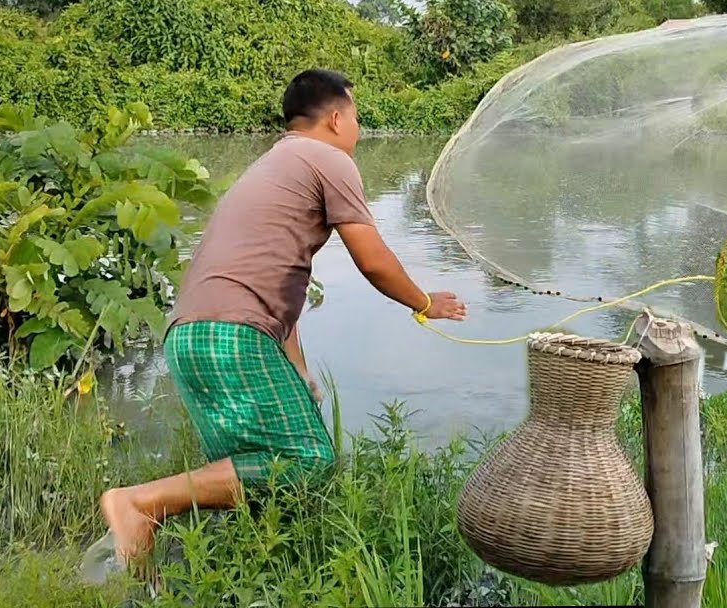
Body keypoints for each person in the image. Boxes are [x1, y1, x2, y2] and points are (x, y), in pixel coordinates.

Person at [93, 68, 468, 571]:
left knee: (254, 484)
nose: (357, 127)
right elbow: (373, 261)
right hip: (232, 336)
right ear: (336, 118)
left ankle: (138, 581)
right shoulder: (328, 158)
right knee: (308, 463)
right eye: (355, 116)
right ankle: (140, 502)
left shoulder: (274, 162)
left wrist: (300, 370)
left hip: (192, 336)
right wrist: (424, 302)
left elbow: (277, 289)